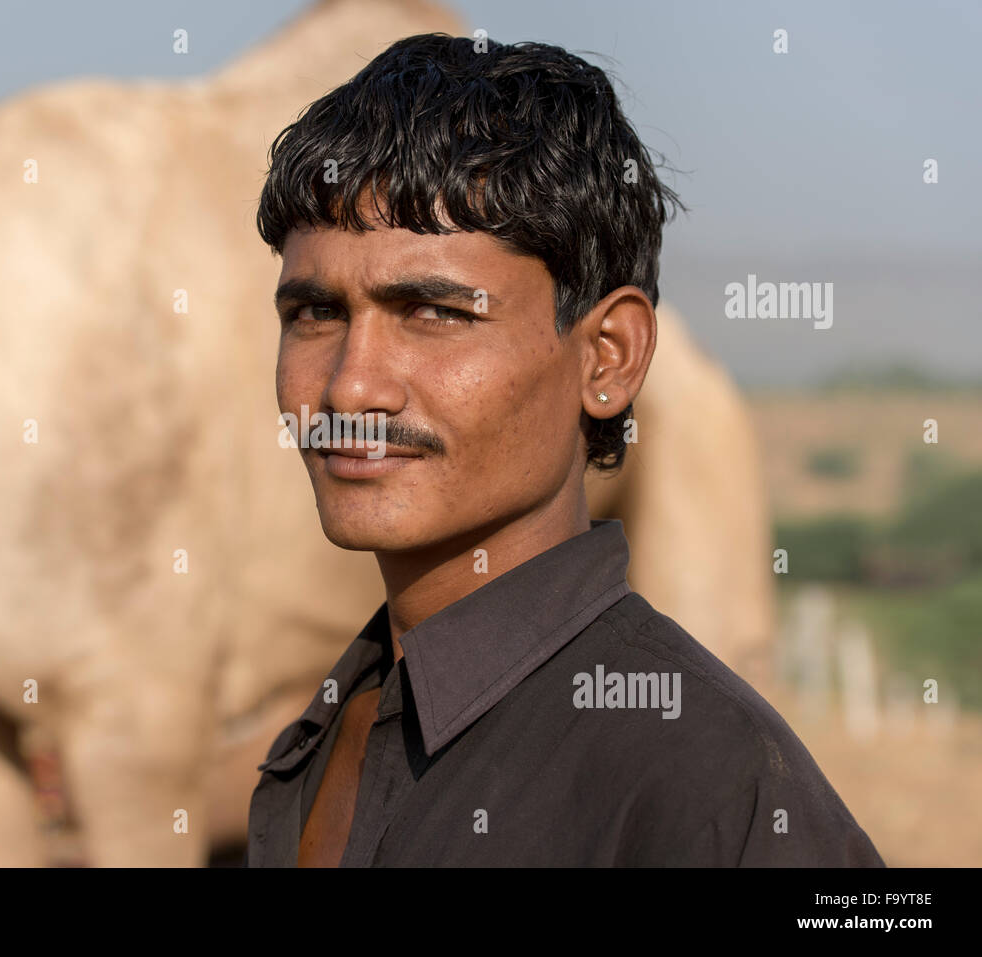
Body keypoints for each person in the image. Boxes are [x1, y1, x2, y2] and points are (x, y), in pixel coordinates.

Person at [244, 32, 883, 867]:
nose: (350, 388)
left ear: (607, 356)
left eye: (434, 313)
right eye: (315, 313)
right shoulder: (323, 743)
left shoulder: (710, 787)